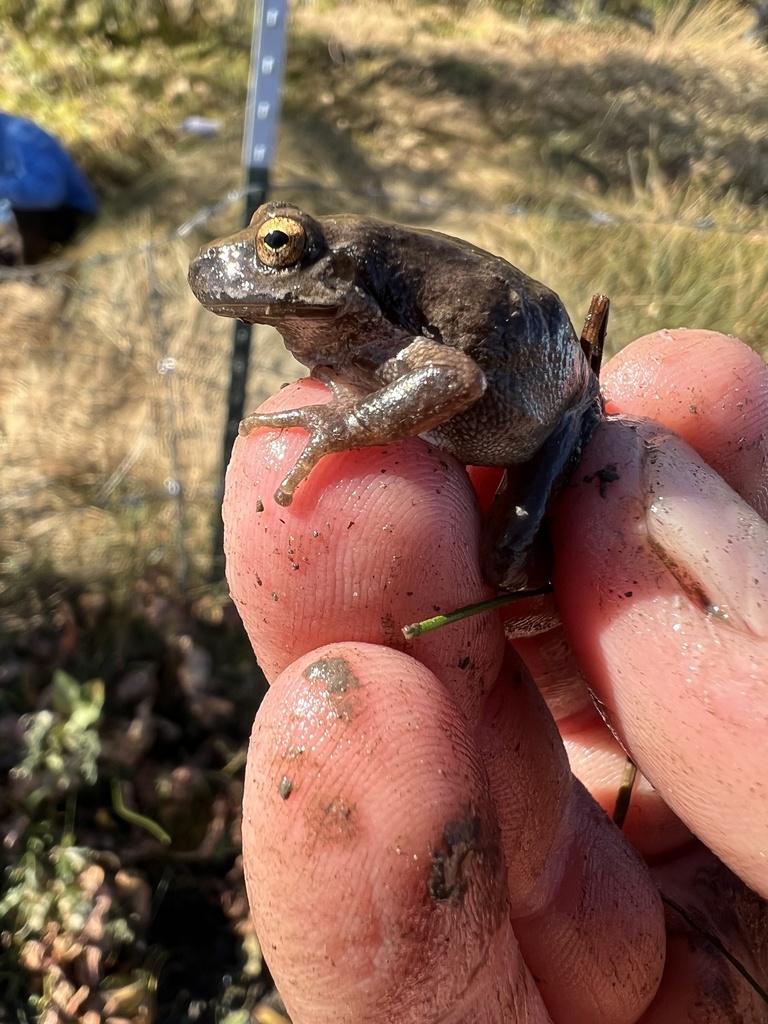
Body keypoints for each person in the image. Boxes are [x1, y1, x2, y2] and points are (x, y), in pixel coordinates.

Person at [224, 328, 768, 1022]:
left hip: (549, 418)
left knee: (502, 561)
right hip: (527, 430)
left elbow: (451, 376)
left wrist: (349, 425)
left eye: (281, 247)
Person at [0, 111, 98, 263]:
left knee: (24, 213)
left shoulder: (20, 134)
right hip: (28, 224)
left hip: (69, 216)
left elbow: (49, 193)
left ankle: (34, 277)